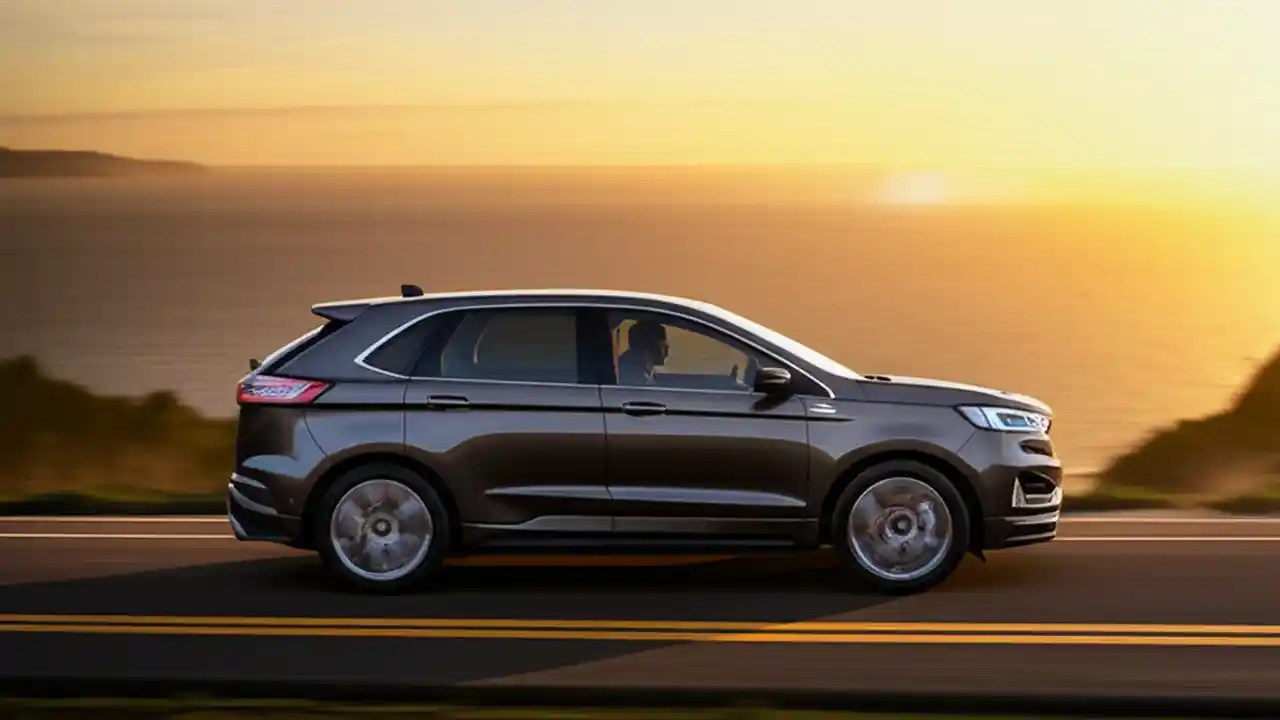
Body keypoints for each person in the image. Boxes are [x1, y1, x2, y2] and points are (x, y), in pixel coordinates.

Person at [617, 320, 669, 385]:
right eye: (663, 345)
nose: (667, 348)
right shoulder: (632, 378)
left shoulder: (646, 371)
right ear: (652, 347)